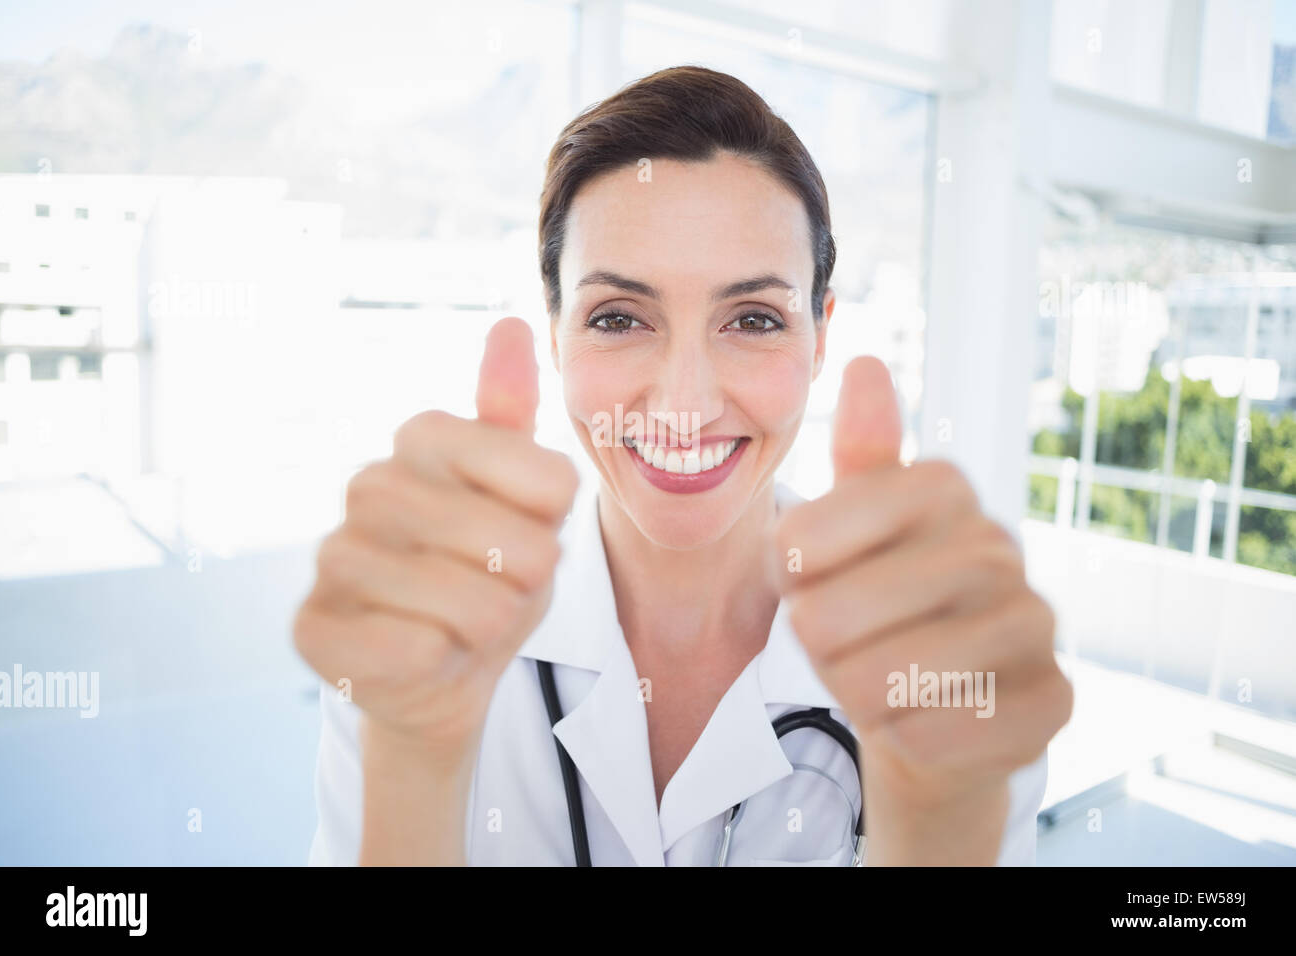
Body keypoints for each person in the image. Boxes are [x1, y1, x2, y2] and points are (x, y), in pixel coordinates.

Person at [294, 65, 1073, 866]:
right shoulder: (422, 630)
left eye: (754, 319)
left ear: (821, 336)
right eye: (620, 317)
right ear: (555, 330)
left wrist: (940, 832)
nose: (685, 402)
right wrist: (412, 767)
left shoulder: (943, 670)